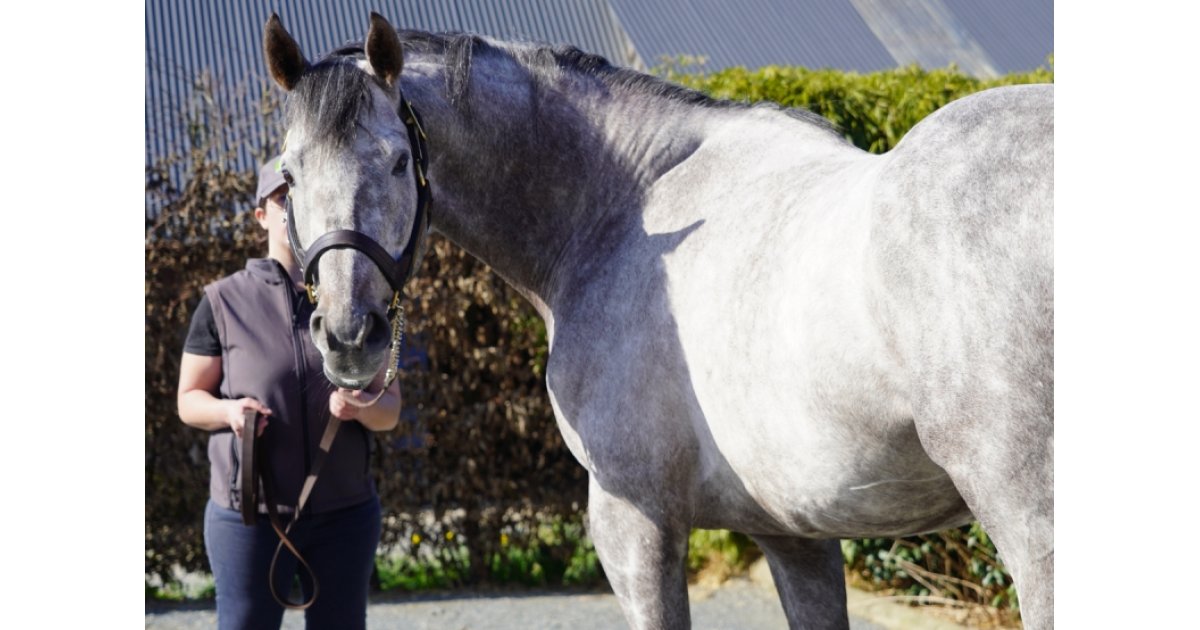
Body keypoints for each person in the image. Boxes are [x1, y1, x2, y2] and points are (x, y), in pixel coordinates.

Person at [177, 157, 400, 630]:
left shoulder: (358, 300)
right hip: (249, 519)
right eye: (283, 198)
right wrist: (230, 411)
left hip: (345, 513)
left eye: (304, 194)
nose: (294, 207)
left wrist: (360, 408)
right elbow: (188, 400)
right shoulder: (221, 301)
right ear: (260, 214)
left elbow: (390, 411)